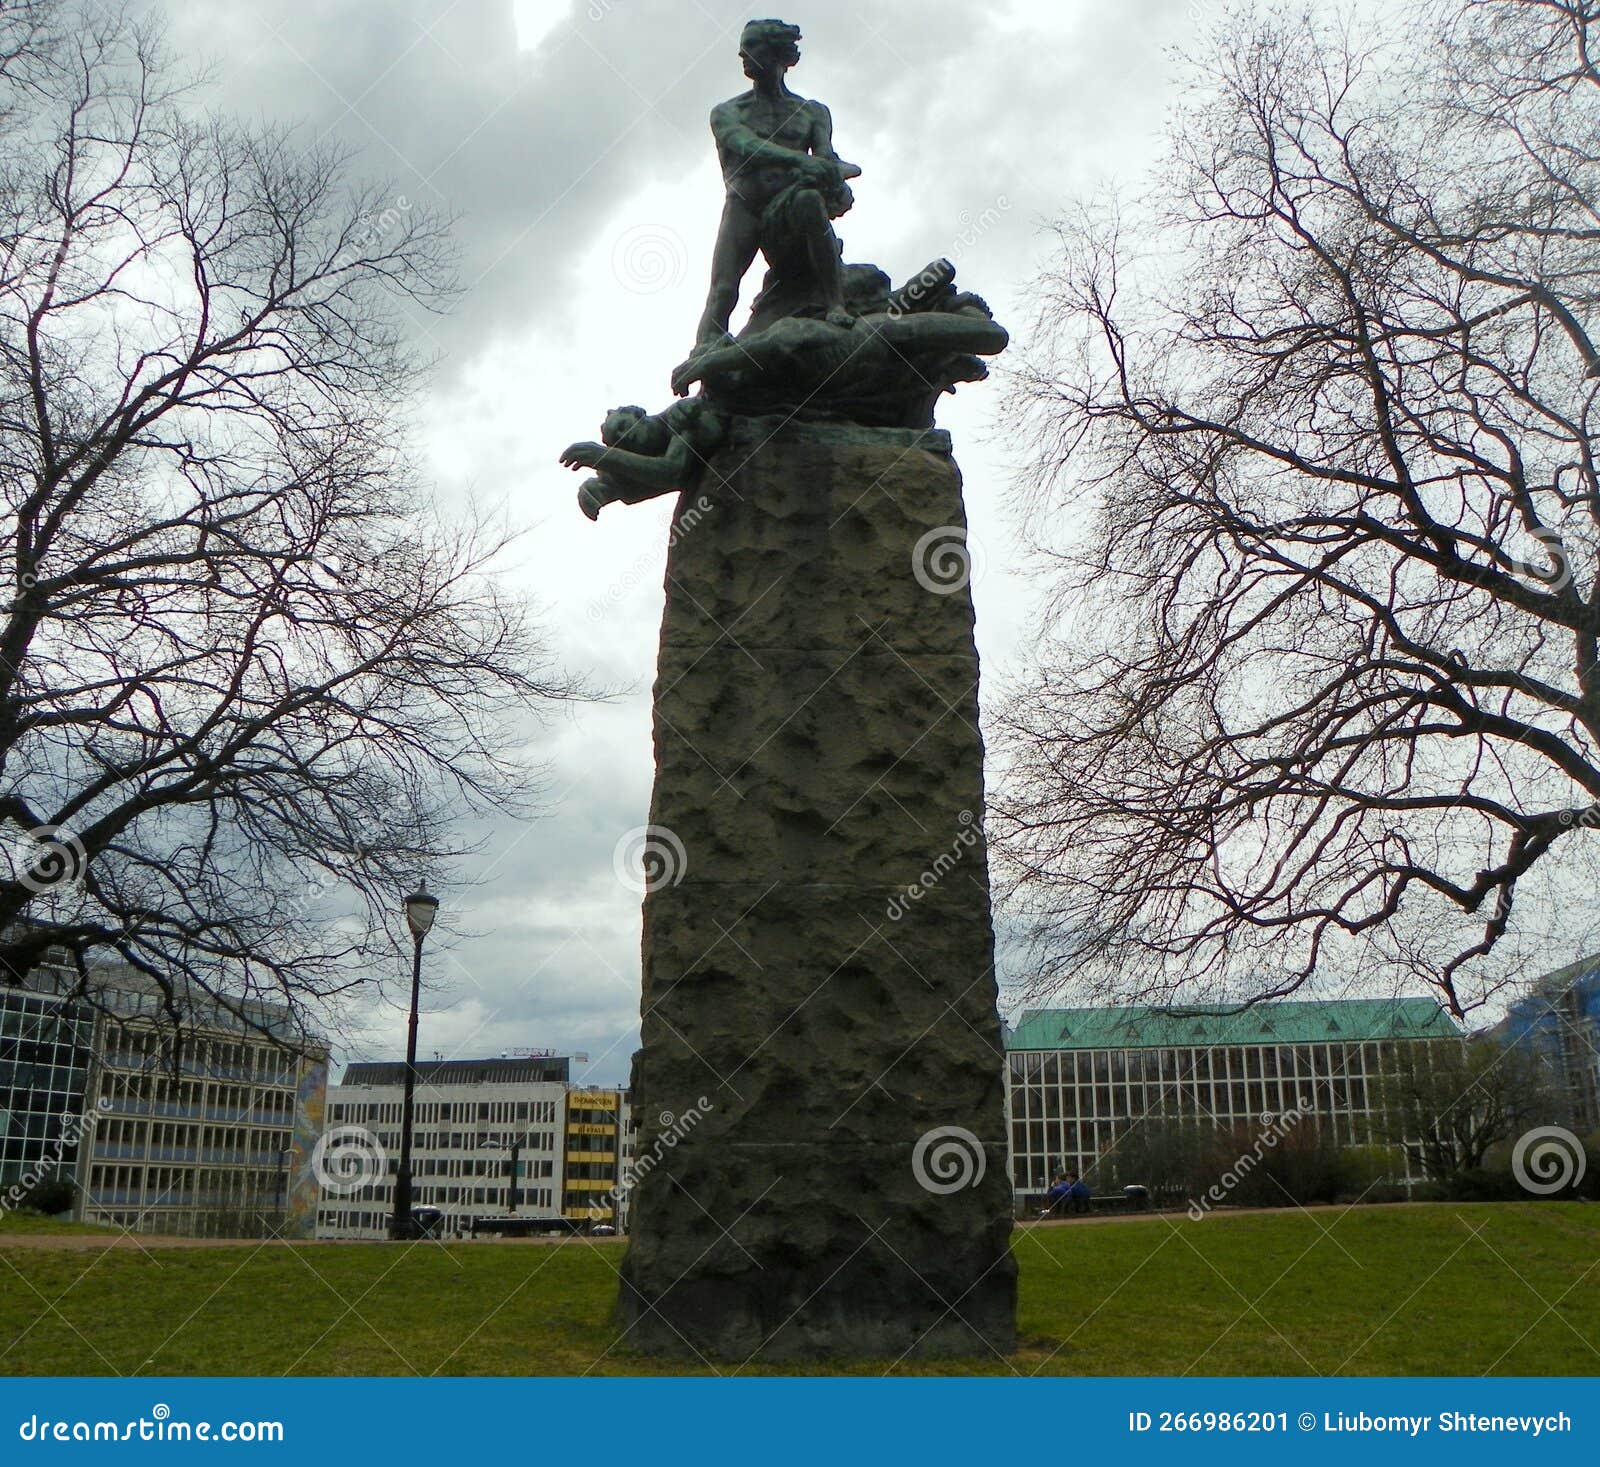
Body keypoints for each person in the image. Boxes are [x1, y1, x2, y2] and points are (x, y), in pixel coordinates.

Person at [689, 18, 862, 350]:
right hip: (745, 206)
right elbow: (746, 145)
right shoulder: (728, 112)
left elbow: (825, 157)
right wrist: (802, 161)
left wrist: (835, 183)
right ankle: (705, 350)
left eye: (752, 46)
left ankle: (835, 304)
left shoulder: (813, 112)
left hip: (788, 206)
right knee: (723, 289)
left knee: (811, 200)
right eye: (743, 47)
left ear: (777, 53)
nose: (743, 53)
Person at [558, 396, 727, 520]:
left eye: (623, 426)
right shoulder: (652, 457)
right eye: (617, 440)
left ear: (637, 415)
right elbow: (638, 482)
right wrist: (602, 489)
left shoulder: (678, 414)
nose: (624, 436)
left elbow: (672, 472)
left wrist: (604, 457)